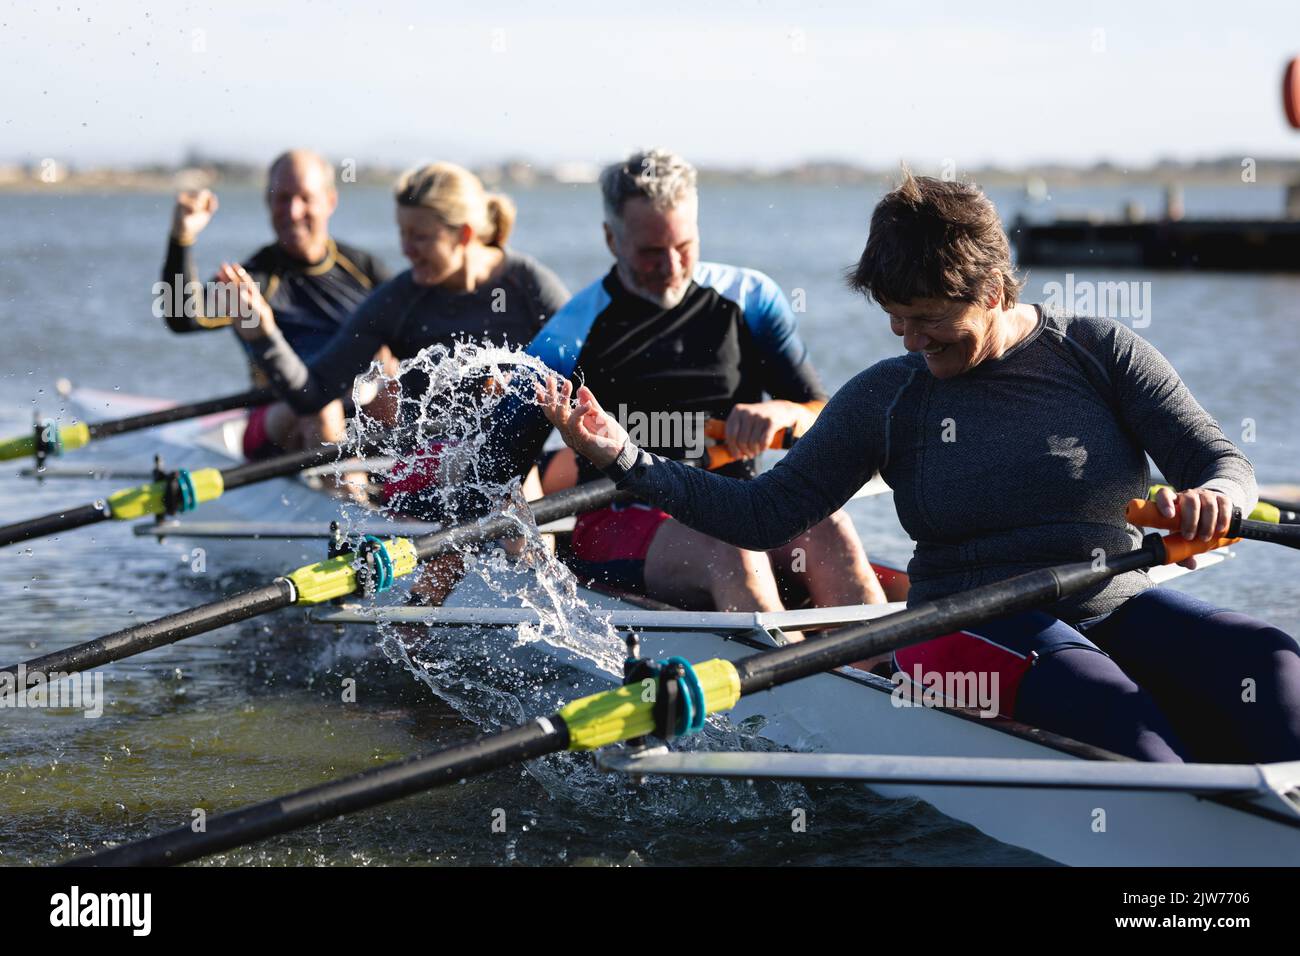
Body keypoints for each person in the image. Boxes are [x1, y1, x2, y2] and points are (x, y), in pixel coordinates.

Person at [539, 169, 1300, 764]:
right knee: (1123, 723)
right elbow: (760, 515)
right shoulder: (886, 396)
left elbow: (1221, 462)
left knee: (1271, 665)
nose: (909, 342)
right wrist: (624, 456)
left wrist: (1216, 498)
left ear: (995, 290)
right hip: (957, 630)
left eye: (931, 323)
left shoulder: (1100, 353)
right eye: (895, 320)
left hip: (1111, 597)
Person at [502, 149, 887, 632]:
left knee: (829, 526)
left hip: (738, 502)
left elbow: (822, 416)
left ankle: (878, 671)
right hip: (618, 518)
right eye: (650, 252)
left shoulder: (752, 299)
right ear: (610, 239)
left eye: (683, 245)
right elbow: (503, 456)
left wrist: (784, 413)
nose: (670, 266)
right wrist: (509, 558)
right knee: (730, 549)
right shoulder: (572, 330)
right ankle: (786, 678)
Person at [231, 161, 570, 504]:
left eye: (420, 237)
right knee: (508, 476)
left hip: (514, 457)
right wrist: (264, 336)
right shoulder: (399, 298)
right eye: (402, 233)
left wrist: (522, 388)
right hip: (418, 469)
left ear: (463, 235)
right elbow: (313, 393)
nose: (406, 249)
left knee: (516, 470)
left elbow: (588, 372)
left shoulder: (530, 287)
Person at [160, 150, 392, 460]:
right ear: (268, 204)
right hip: (275, 424)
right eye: (282, 199)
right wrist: (181, 238)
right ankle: (351, 499)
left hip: (356, 415)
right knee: (320, 406)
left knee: (396, 385)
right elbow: (181, 316)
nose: (293, 211)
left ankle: (398, 490)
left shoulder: (363, 269)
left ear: (329, 201)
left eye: (304, 198)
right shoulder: (253, 280)